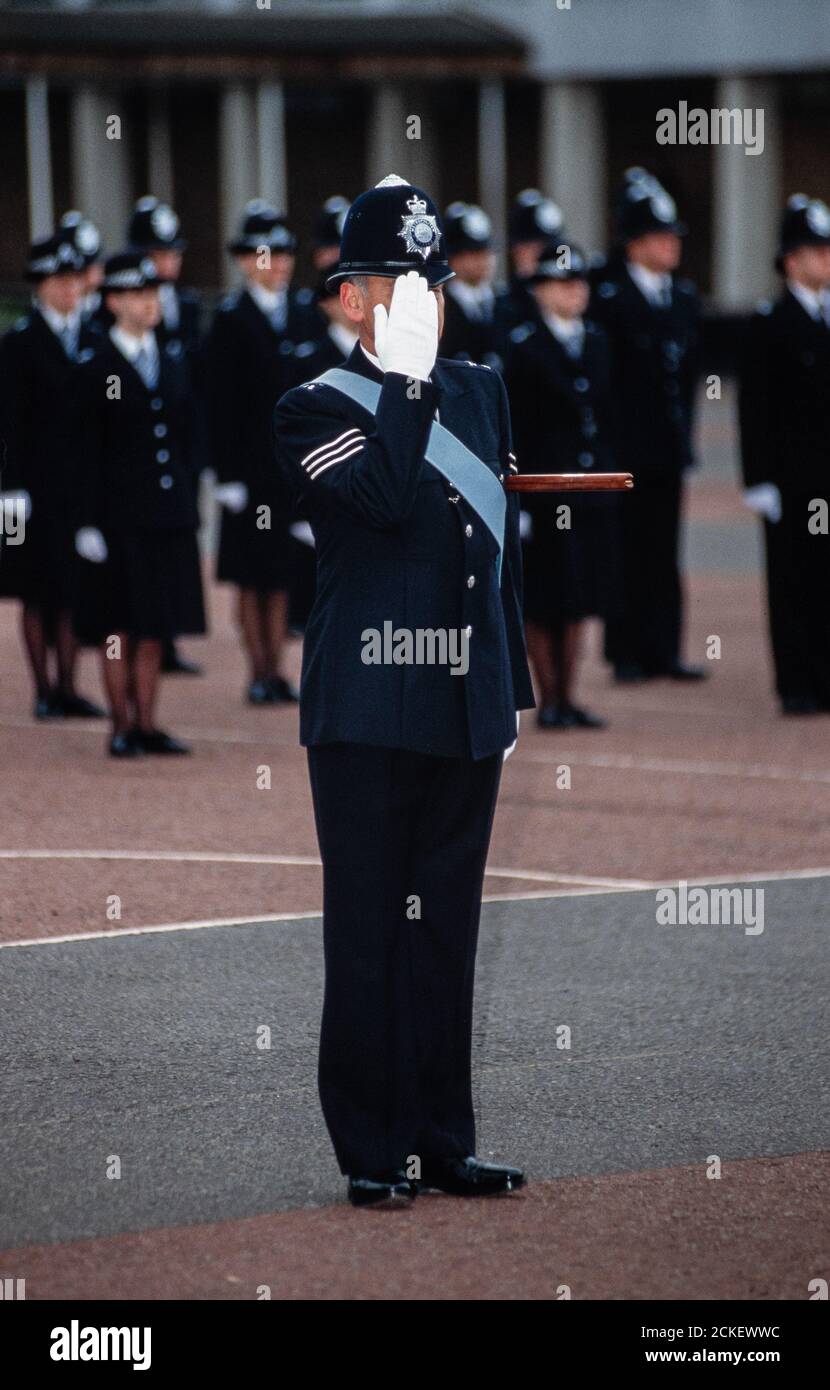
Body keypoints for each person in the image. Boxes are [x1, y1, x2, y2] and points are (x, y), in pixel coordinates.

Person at [273, 174, 535, 1208]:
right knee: (373, 929)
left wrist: (507, 686)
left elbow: (499, 546)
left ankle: (441, 1136)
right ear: (351, 298)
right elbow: (380, 500)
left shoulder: (481, 386)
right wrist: (410, 381)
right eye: (401, 279)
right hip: (368, 702)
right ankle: (372, 1147)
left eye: (431, 275)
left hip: (459, 699)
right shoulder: (309, 405)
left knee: (448, 933)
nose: (426, 294)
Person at [74, 253, 205, 756]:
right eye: (138, 295)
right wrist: (84, 521)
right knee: (117, 626)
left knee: (155, 624)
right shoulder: (96, 367)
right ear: (113, 302)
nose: (151, 303)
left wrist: (192, 491)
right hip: (115, 520)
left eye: (154, 294)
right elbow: (81, 450)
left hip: (166, 515)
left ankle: (147, 722)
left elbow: (189, 432)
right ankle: (120, 726)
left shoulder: (171, 360)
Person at [591, 172, 704, 683]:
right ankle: (628, 651)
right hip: (626, 448)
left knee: (664, 549)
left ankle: (665, 648)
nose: (671, 245)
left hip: (666, 447)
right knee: (626, 549)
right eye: (660, 236)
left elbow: (687, 380)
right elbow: (605, 383)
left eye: (673, 236)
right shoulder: (610, 298)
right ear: (634, 243)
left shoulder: (681, 298)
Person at [505, 241, 621, 729]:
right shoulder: (523, 346)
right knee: (542, 595)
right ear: (541, 290)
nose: (575, 292)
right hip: (542, 488)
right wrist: (520, 499)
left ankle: (569, 695)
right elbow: (516, 427)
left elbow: (610, 413)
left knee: (579, 594)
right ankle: (547, 696)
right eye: (563, 284)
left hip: (587, 487)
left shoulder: (596, 339)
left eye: (579, 283)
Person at [0, 233, 105, 720]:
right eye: (59, 281)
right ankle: (43, 690)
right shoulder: (19, 344)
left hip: (80, 487)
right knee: (35, 588)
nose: (69, 290)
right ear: (40, 286)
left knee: (72, 589)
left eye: (74, 280)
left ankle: (68, 685)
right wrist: (10, 487)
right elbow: (8, 422)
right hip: (32, 488)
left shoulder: (93, 339)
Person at [205, 201, 305, 705]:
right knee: (250, 575)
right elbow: (216, 402)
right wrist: (225, 473)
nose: (279, 263)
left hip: (287, 469)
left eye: (285, 253)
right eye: (267, 254)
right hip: (247, 468)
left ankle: (278, 669)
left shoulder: (301, 313)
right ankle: (258, 670)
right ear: (246, 262)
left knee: (281, 570)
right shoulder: (230, 319)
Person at [738, 194, 830, 715]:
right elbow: (756, 406)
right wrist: (759, 478)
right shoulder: (771, 321)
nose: (827, 259)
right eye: (817, 250)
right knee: (793, 580)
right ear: (792, 261)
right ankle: (797, 683)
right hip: (792, 480)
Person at [127, 195, 205, 676]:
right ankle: (145, 638)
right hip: (140, 449)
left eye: (172, 252)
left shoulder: (190, 304)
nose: (168, 262)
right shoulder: (121, 305)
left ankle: (171, 637)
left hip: (180, 444)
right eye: (157, 253)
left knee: (179, 543)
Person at [440, 202, 501, 368]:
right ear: (453, 257)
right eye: (473, 253)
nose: (484, 260)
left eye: (487, 251)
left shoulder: (507, 303)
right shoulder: (441, 308)